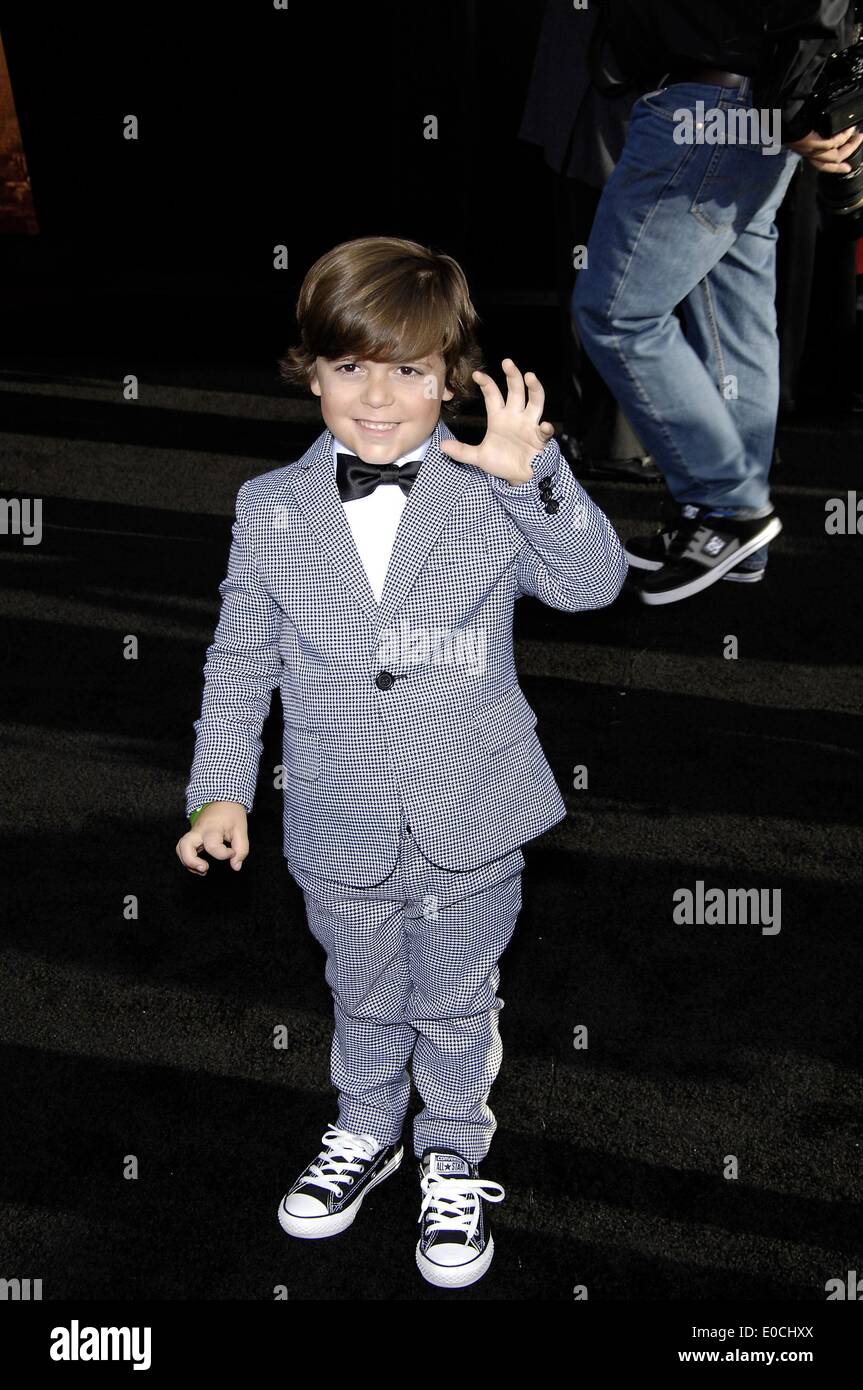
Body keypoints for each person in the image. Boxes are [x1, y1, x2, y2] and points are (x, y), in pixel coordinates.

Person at [175, 236, 628, 1288]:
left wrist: (537, 478)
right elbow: (239, 659)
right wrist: (218, 789)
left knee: (458, 1000)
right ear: (309, 369)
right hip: (336, 817)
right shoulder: (268, 506)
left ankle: (452, 1156)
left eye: (410, 371)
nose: (376, 397)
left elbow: (593, 583)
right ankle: (366, 1128)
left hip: (473, 808)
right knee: (362, 993)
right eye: (349, 367)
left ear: (451, 376)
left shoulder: (489, 490)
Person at [572, 0, 861, 604]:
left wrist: (792, 106)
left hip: (716, 106)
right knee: (732, 309)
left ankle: (731, 510)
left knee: (616, 313)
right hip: (734, 106)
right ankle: (725, 526)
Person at [518, 0, 659, 482]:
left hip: (611, 97)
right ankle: (610, 437)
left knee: (604, 275)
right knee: (620, 278)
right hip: (616, 97)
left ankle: (601, 432)